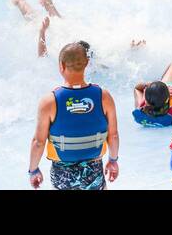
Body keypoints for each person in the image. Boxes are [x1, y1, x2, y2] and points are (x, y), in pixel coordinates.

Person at [29, 42, 120, 190]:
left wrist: (33, 170)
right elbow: (113, 135)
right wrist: (113, 160)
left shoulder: (49, 101)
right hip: (93, 168)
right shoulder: (104, 96)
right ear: (87, 63)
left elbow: (38, 142)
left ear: (61, 66)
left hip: (62, 173)